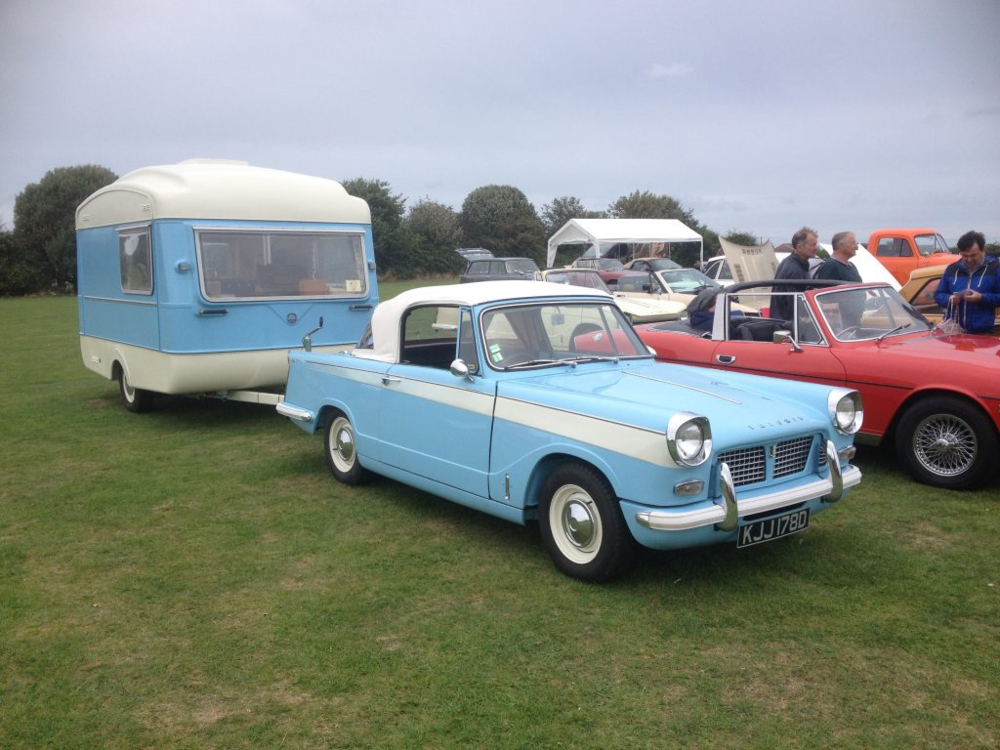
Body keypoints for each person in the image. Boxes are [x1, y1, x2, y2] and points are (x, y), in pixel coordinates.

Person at [933, 230, 999, 334]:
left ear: (983, 251)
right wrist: (950, 299)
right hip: (954, 332)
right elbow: (938, 294)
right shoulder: (952, 269)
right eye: (964, 255)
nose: (968, 259)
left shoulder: (995, 269)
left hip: (982, 333)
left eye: (973, 256)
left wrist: (981, 298)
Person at [771, 226, 818, 321]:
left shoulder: (789, 262)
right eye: (813, 245)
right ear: (799, 247)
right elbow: (795, 307)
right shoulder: (794, 270)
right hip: (788, 326)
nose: (816, 248)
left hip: (783, 322)